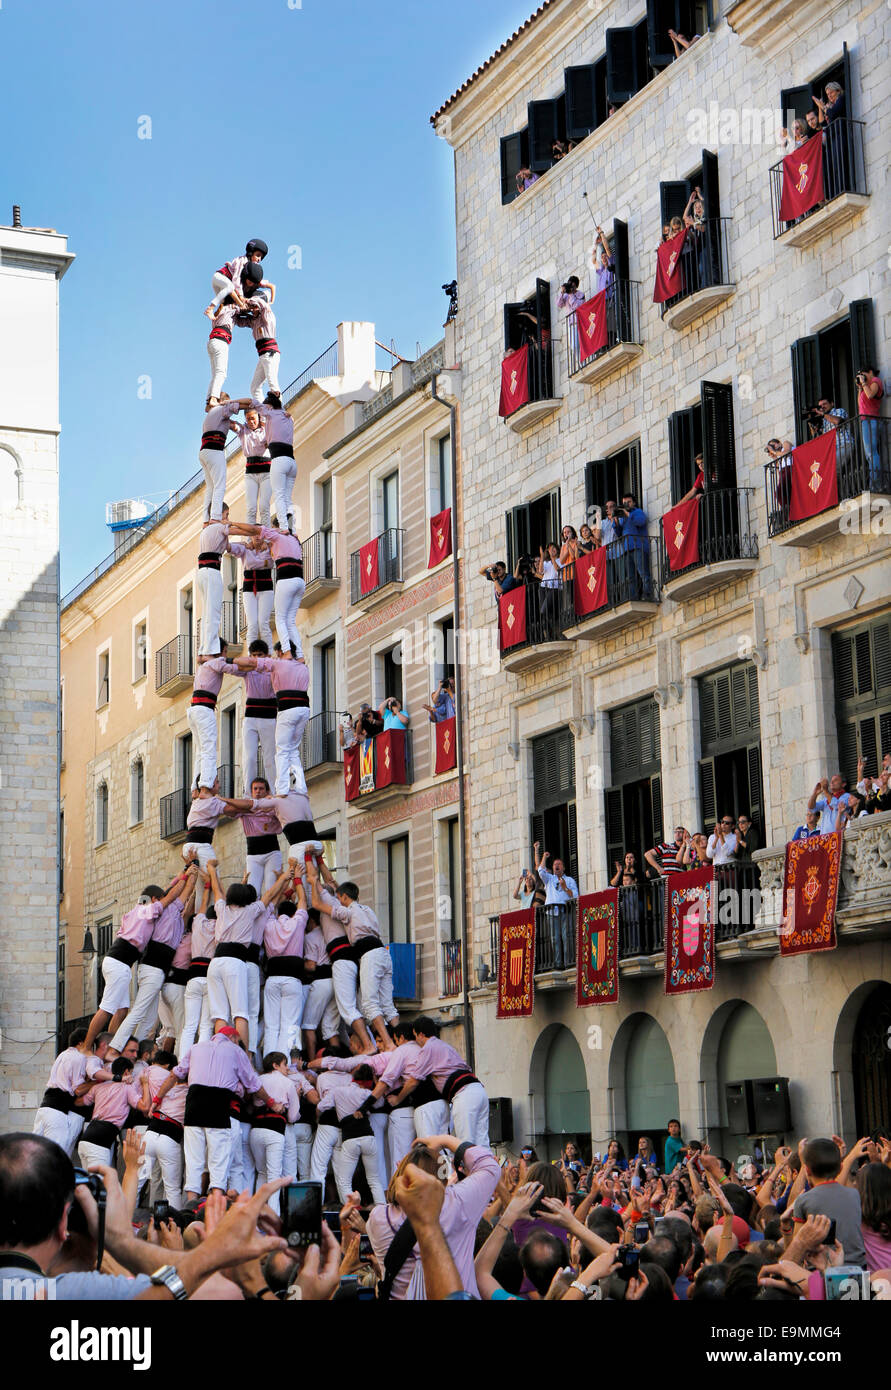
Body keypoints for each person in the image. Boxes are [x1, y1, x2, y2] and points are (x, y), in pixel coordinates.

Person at [366, 1134, 500, 1299]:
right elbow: (489, 1165)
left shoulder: (378, 1218)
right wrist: (445, 1140)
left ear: (403, 1174)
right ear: (442, 1177)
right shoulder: (459, 1202)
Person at [155, 1026, 270, 1201]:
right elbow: (253, 1083)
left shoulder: (196, 1047)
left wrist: (157, 1100)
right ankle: (214, 1210)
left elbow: (174, 1075)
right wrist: (271, 1102)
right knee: (218, 1165)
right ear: (232, 1037)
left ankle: (191, 1209)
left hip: (194, 1104)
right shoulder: (235, 1051)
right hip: (218, 1104)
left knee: (194, 1163)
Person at [306, 860, 397, 1053]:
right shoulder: (366, 909)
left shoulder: (345, 912)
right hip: (382, 953)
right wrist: (320, 861)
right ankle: (399, 1039)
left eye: (339, 897)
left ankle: (376, 1045)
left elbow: (317, 900)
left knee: (364, 1006)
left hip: (363, 957)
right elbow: (332, 882)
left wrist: (313, 880)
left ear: (343, 897)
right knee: (386, 1006)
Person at [108, 868, 197, 1054]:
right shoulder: (170, 909)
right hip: (154, 970)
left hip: (152, 970)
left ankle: (137, 1051)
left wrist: (184, 873)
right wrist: (192, 871)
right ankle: (115, 1049)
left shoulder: (168, 915)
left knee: (149, 1019)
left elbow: (185, 907)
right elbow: (184, 891)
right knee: (139, 1012)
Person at [232, 645, 309, 796]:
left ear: (267, 655)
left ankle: (276, 791)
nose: (256, 658)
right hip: (251, 716)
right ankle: (248, 794)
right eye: (253, 655)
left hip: (269, 716)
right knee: (249, 757)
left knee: (271, 757)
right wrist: (221, 661)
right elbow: (231, 668)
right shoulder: (249, 671)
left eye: (259, 654)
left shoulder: (274, 667)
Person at [229, 518, 305, 660]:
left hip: (269, 584)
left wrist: (231, 524)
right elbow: (229, 547)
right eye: (254, 534)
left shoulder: (273, 541)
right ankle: (252, 655)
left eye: (259, 533)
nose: (257, 536)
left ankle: (272, 653)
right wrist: (242, 543)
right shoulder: (290, 539)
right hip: (252, 586)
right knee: (253, 624)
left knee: (268, 622)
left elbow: (256, 532)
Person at [793, 1137, 867, 1267]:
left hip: (820, 1273)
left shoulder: (803, 1200)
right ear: (840, 1168)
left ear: (807, 1170)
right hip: (858, 1269)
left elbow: (797, 1246)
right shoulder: (854, 1194)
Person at [263, 880, 308, 1058]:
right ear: (293, 912)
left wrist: (283, 883)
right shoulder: (297, 922)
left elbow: (269, 904)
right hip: (291, 980)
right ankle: (286, 1063)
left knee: (271, 1025)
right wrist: (297, 880)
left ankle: (269, 1063)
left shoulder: (269, 923)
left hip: (272, 980)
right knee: (290, 1024)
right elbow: (303, 900)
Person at [77, 1058, 149, 1168]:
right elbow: (144, 1106)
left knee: (88, 1184)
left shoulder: (98, 1087)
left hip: (85, 1140)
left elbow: (79, 1102)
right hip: (99, 1144)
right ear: (126, 1072)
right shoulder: (126, 1088)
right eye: (131, 1072)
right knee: (100, 1182)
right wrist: (145, 1084)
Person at [198, 395, 251, 524]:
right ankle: (215, 517)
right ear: (222, 401)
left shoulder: (214, 415)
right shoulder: (220, 409)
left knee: (211, 487)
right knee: (220, 486)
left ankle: (206, 519)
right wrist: (230, 402)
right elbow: (248, 403)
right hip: (215, 450)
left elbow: (234, 426)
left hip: (204, 452)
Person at [190, 644, 235, 789]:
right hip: (204, 710)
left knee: (200, 751)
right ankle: (206, 785)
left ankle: (195, 788)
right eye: (225, 651)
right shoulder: (216, 663)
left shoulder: (204, 665)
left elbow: (200, 658)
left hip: (194, 710)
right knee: (209, 749)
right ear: (219, 650)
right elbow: (236, 669)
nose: (226, 654)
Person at [534, 843, 578, 970]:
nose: (556, 866)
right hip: (552, 913)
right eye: (554, 865)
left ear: (563, 868)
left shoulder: (569, 880)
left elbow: (574, 896)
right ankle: (558, 964)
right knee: (554, 939)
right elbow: (540, 871)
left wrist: (565, 888)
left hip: (565, 912)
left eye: (559, 865)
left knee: (566, 937)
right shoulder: (550, 879)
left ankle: (568, 962)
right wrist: (544, 857)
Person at [204, 238, 268, 319]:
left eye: (261, 257)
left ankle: (217, 316)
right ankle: (210, 308)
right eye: (258, 255)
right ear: (251, 252)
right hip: (220, 277)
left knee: (225, 303)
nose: (259, 259)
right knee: (231, 288)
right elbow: (236, 280)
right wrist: (241, 296)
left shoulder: (248, 264)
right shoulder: (243, 261)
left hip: (221, 284)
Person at [619, 492, 652, 600]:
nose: (626, 505)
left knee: (643, 573)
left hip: (639, 547)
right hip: (627, 549)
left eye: (629, 502)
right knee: (630, 576)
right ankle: (633, 596)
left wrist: (629, 514)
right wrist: (615, 519)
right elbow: (618, 531)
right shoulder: (623, 517)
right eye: (624, 503)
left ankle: (647, 594)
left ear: (634, 503)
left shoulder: (638, 512)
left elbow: (640, 522)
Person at [856, 364, 884, 489]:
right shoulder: (865, 385)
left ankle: (875, 485)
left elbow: (870, 395)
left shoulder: (875, 381)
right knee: (869, 455)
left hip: (871, 420)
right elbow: (860, 404)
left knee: (872, 453)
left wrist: (864, 384)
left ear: (870, 372)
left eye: (864, 374)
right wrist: (860, 388)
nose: (862, 377)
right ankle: (875, 483)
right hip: (865, 420)